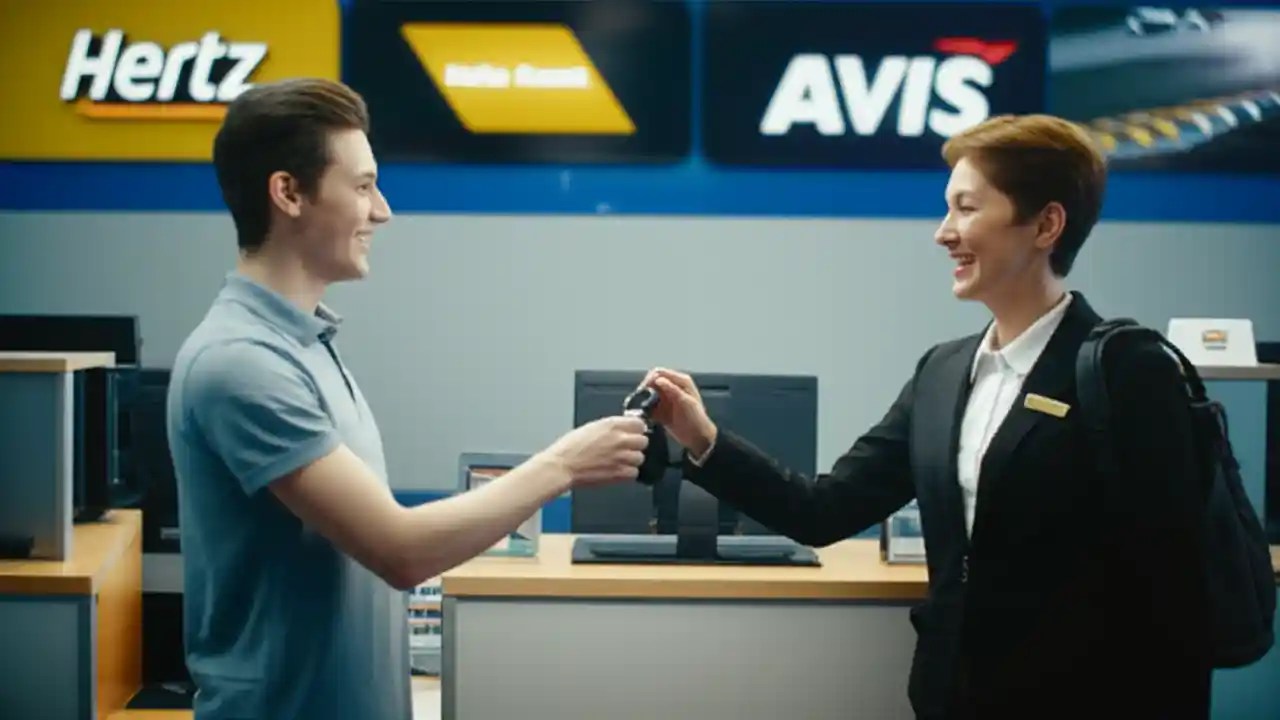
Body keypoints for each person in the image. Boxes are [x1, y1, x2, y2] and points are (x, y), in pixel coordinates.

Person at [641, 114, 1212, 719]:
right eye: (948, 210)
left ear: (1046, 224)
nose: (944, 233)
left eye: (967, 209)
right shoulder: (942, 373)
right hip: (950, 698)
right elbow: (823, 510)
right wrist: (701, 438)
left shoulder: (1127, 371)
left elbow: (1175, 593)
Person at [166, 78, 649, 720]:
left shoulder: (304, 344)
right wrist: (563, 465)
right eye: (362, 186)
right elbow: (401, 550)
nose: (382, 210)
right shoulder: (241, 364)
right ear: (288, 193)